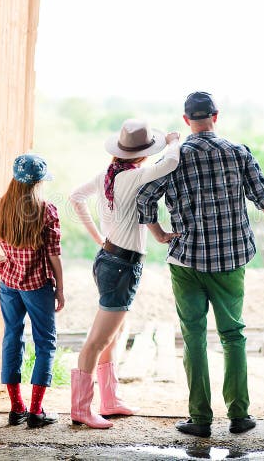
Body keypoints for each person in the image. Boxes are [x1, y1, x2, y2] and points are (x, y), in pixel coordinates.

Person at [137, 91, 264, 438]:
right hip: (230, 260)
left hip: (186, 260)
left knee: (194, 338)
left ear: (186, 120)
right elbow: (262, 196)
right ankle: (239, 416)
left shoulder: (173, 158)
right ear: (215, 117)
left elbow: (144, 197)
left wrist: (158, 232)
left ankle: (200, 420)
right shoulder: (237, 152)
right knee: (233, 335)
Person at [69, 119, 181, 428]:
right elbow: (171, 160)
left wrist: (96, 236)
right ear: (143, 154)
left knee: (114, 335)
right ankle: (81, 409)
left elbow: (75, 197)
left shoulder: (109, 173)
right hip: (121, 266)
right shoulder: (133, 177)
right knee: (98, 340)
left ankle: (109, 400)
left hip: (110, 260)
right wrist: (173, 139)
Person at [0, 153, 65, 429]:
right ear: (39, 182)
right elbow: (54, 256)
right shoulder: (47, 211)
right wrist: (61, 290)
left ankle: (16, 408)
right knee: (45, 343)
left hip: (9, 284)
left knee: (12, 337)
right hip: (38, 286)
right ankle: (35, 411)